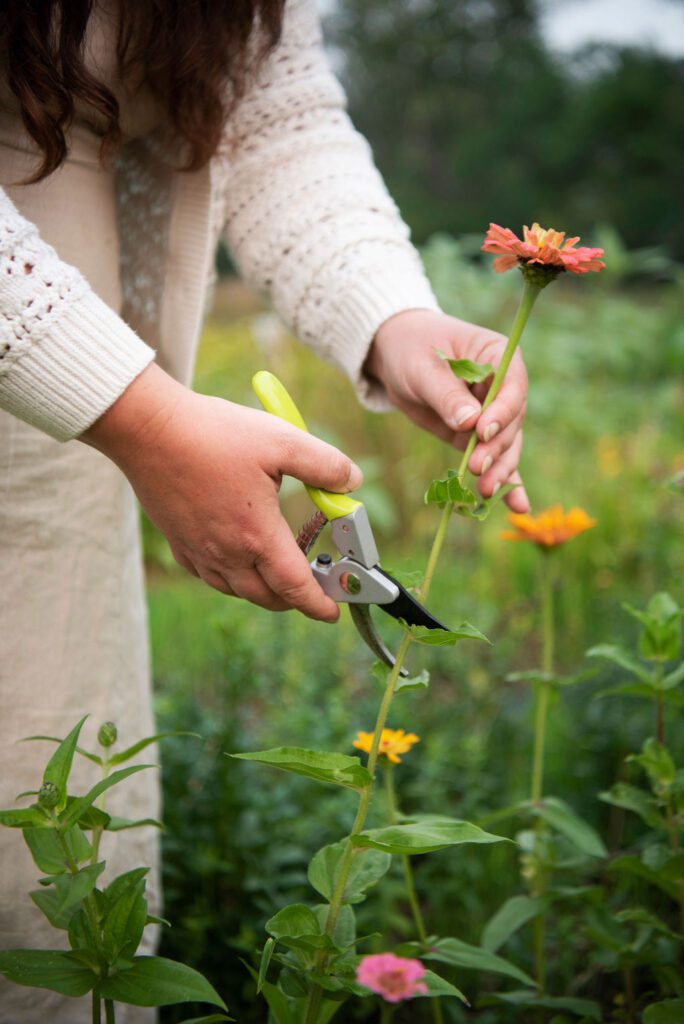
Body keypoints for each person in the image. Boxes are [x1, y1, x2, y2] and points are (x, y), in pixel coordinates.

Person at [0, 1, 528, 1021]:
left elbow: (274, 116)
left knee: (51, 863)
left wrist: (391, 314)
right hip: (76, 368)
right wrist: (146, 418)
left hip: (85, 428)